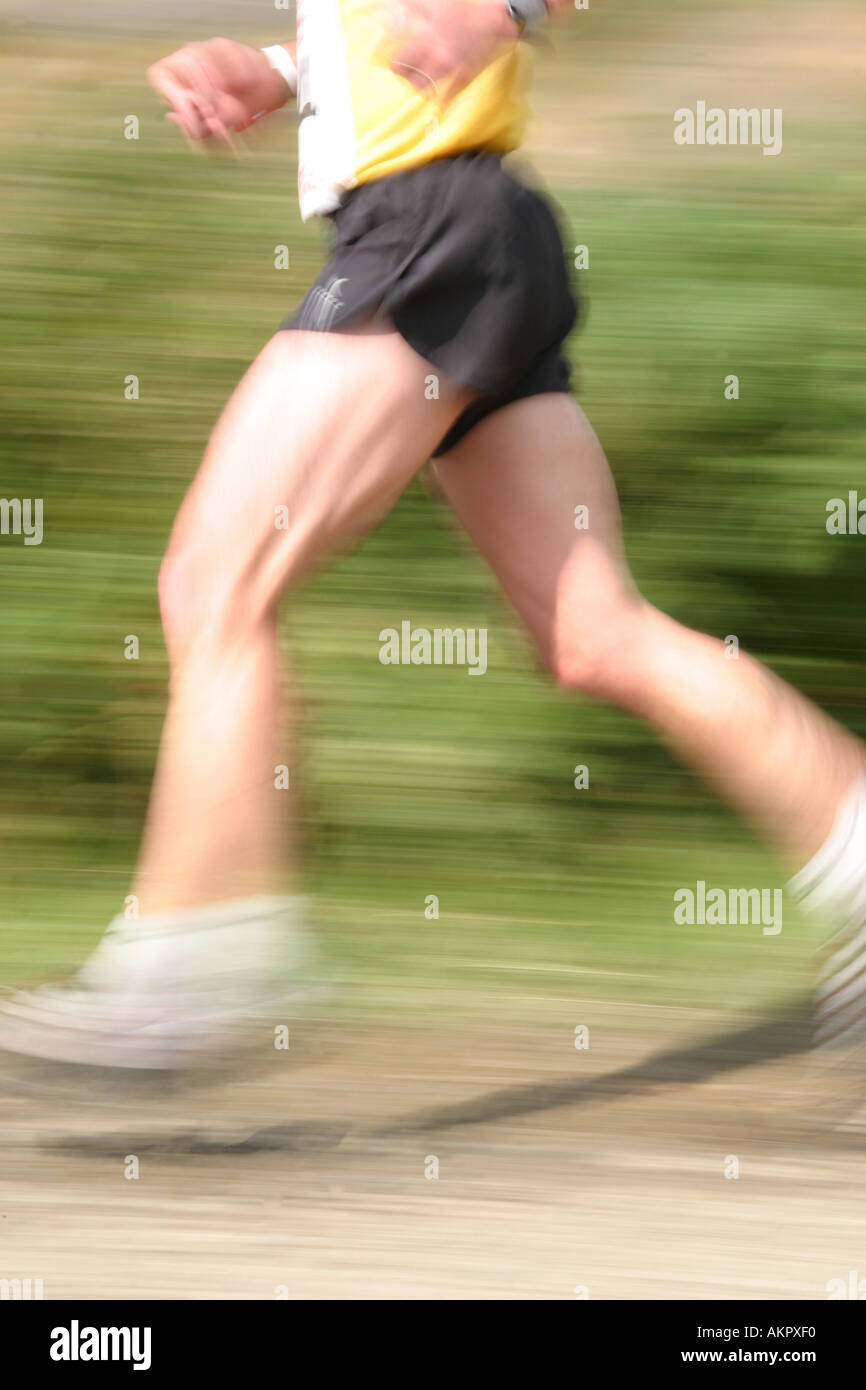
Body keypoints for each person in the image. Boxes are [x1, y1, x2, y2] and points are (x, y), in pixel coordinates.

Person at [1, 0, 864, 1086]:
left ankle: (188, 972)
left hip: (430, 228)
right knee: (595, 634)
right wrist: (277, 66)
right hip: (473, 230)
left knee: (214, 591)